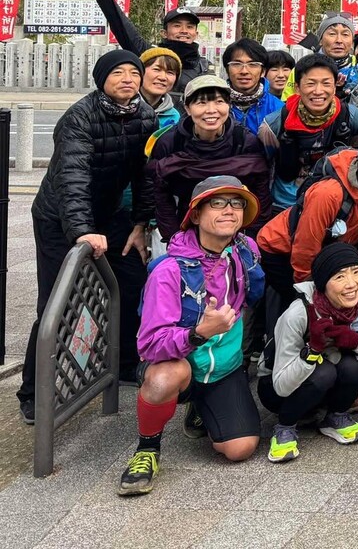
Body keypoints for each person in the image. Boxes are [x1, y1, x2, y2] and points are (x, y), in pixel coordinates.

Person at [19, 50, 157, 424]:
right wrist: (82, 231)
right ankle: (33, 391)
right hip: (59, 218)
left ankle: (125, 363)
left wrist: (140, 224)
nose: (128, 79)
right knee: (56, 301)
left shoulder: (144, 115)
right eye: (118, 73)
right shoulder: (80, 117)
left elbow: (146, 176)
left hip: (109, 214)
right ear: (101, 79)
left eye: (134, 73)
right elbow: (72, 179)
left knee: (133, 281)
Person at [119, 177, 265, 495]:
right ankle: (147, 449)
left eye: (236, 203)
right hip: (179, 363)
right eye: (218, 203)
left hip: (224, 367)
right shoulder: (169, 271)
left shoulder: (245, 251)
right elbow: (149, 344)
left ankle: (201, 407)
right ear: (196, 215)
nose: (229, 210)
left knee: (240, 449)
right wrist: (198, 334)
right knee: (162, 378)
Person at [258, 241, 358, 462]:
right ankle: (285, 426)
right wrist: (313, 349)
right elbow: (280, 386)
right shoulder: (299, 313)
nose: (351, 284)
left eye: (356, 273)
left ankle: (335, 416)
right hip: (277, 388)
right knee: (324, 372)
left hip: (327, 382)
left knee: (354, 366)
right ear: (323, 284)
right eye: (339, 277)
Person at [256, 124, 358, 317]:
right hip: (281, 248)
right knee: (300, 313)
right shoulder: (329, 193)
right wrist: (310, 293)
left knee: (338, 306)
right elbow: (305, 247)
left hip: (329, 249)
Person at [145, 74, 271, 241]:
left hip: (235, 225)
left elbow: (260, 191)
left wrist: (252, 237)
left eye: (219, 102)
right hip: (186, 223)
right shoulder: (170, 142)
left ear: (229, 106)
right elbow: (161, 195)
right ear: (188, 108)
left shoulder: (244, 141)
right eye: (201, 102)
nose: (211, 110)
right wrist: (175, 239)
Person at [75, 0, 210, 98]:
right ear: (164, 33)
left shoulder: (203, 66)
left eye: (189, 27)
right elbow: (119, 22)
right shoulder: (147, 54)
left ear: (196, 33)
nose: (184, 31)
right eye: (177, 26)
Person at [257, 53, 358, 215]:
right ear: (296, 88)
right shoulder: (273, 124)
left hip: (334, 202)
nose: (318, 91)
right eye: (311, 83)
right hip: (285, 203)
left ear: (335, 86)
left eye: (326, 83)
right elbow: (264, 168)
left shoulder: (354, 119)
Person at [222, 38, 282, 134]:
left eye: (253, 64)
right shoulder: (215, 106)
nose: (244, 71)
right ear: (227, 69)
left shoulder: (278, 109)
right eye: (237, 64)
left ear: (263, 71)